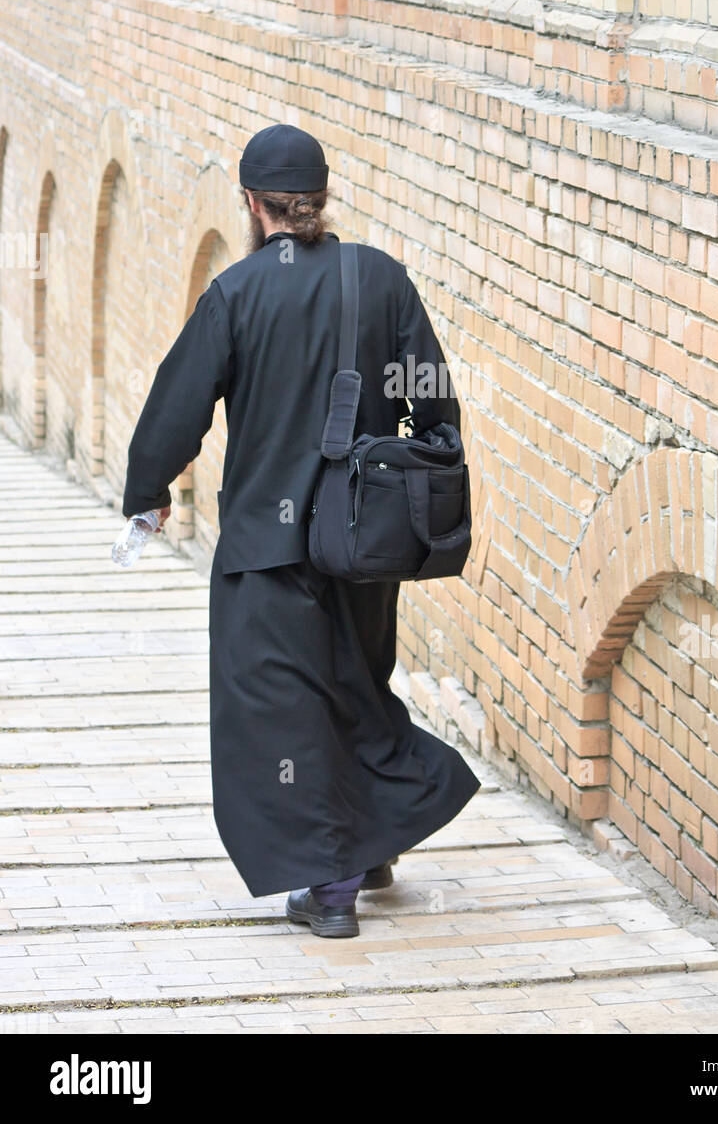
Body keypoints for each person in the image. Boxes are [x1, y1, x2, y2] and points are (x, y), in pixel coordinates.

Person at [121, 123, 481, 939]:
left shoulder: (237, 293)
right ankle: (374, 840)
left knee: (280, 716)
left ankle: (330, 885)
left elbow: (178, 405)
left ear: (252, 205)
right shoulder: (381, 281)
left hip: (266, 546)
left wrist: (148, 490)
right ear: (318, 200)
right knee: (351, 686)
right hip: (361, 541)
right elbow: (431, 400)